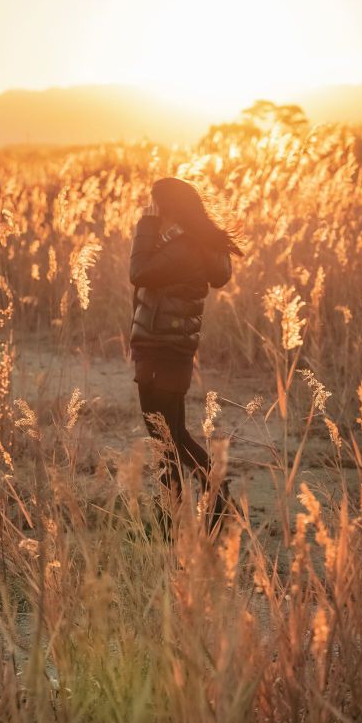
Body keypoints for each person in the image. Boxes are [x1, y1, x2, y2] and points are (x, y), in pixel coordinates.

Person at [129, 176, 243, 533]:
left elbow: (138, 273)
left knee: (164, 437)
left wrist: (146, 226)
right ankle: (211, 505)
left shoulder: (180, 248)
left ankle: (174, 518)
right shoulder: (191, 244)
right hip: (171, 348)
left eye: (154, 205)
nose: (150, 210)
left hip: (160, 348)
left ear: (168, 208)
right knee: (173, 434)